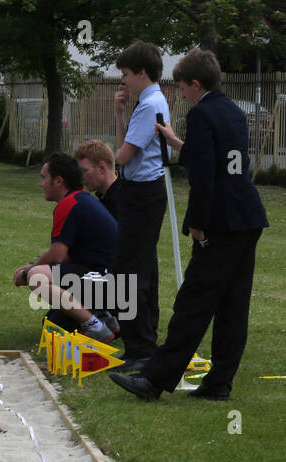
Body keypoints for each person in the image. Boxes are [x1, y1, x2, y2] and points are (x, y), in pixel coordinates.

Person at [110, 49, 269, 402]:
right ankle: (219, 383)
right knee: (232, 305)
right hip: (248, 216)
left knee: (193, 303)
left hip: (221, 222)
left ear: (196, 84)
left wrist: (197, 224)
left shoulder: (201, 114)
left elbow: (203, 178)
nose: (181, 94)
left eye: (182, 87)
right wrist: (176, 142)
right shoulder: (232, 112)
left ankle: (153, 380)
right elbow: (222, 161)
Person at [12, 152, 121, 343]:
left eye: (43, 178)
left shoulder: (69, 204)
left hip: (106, 282)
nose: (41, 184)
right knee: (53, 325)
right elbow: (69, 257)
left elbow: (58, 254)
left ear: (58, 181)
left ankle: (95, 327)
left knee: (37, 276)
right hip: (112, 282)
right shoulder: (82, 200)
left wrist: (29, 271)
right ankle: (102, 316)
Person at [112, 40, 172, 369]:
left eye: (126, 74)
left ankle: (140, 348)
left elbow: (122, 155)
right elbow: (127, 149)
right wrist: (119, 113)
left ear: (142, 72)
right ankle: (143, 341)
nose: (124, 81)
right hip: (141, 190)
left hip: (142, 193)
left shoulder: (150, 104)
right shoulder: (147, 101)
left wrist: (112, 158)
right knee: (142, 266)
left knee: (130, 271)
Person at [74, 139, 120, 219]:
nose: (81, 177)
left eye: (84, 171)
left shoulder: (125, 203)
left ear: (101, 168)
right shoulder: (104, 199)